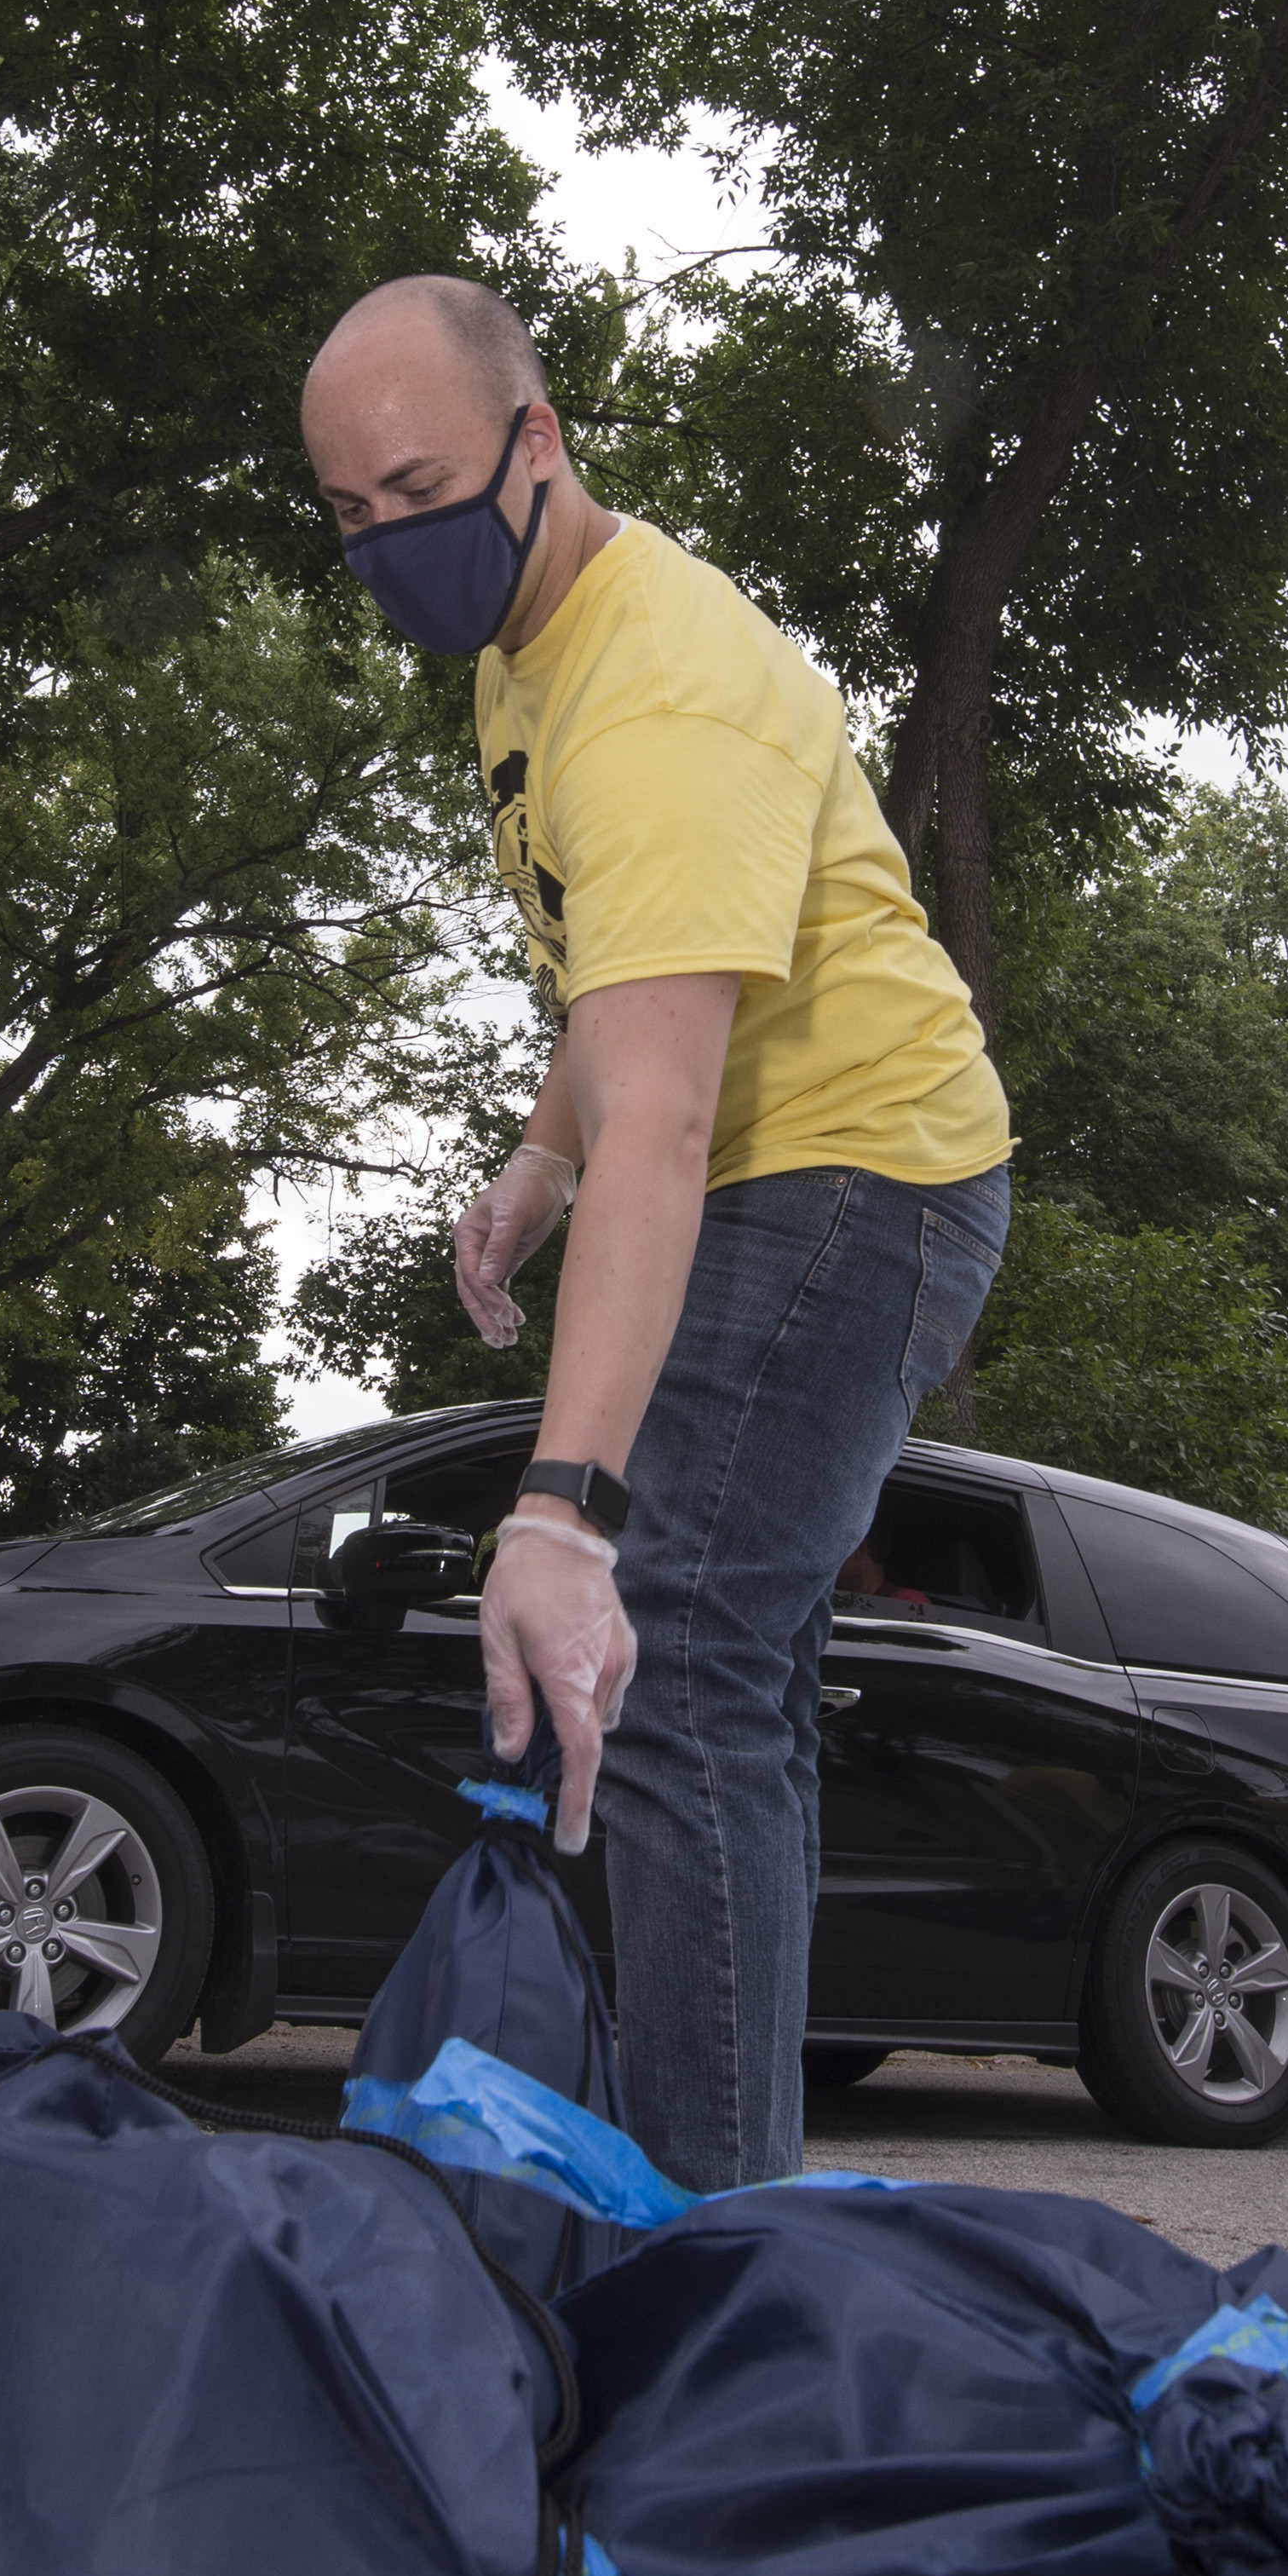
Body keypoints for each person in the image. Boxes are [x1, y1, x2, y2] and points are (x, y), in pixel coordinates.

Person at [301, 275, 1011, 2190]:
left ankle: (713, 2242)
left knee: (669, 1639)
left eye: (419, 488)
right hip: (777, 1150)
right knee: (728, 1674)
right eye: (350, 512)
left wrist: (560, 1510)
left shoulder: (661, 692)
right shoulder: (518, 644)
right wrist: (539, 1159)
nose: (390, 542)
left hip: (860, 1168)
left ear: (537, 444)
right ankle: (699, 2173)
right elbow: (610, 992)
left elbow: (674, 1128)